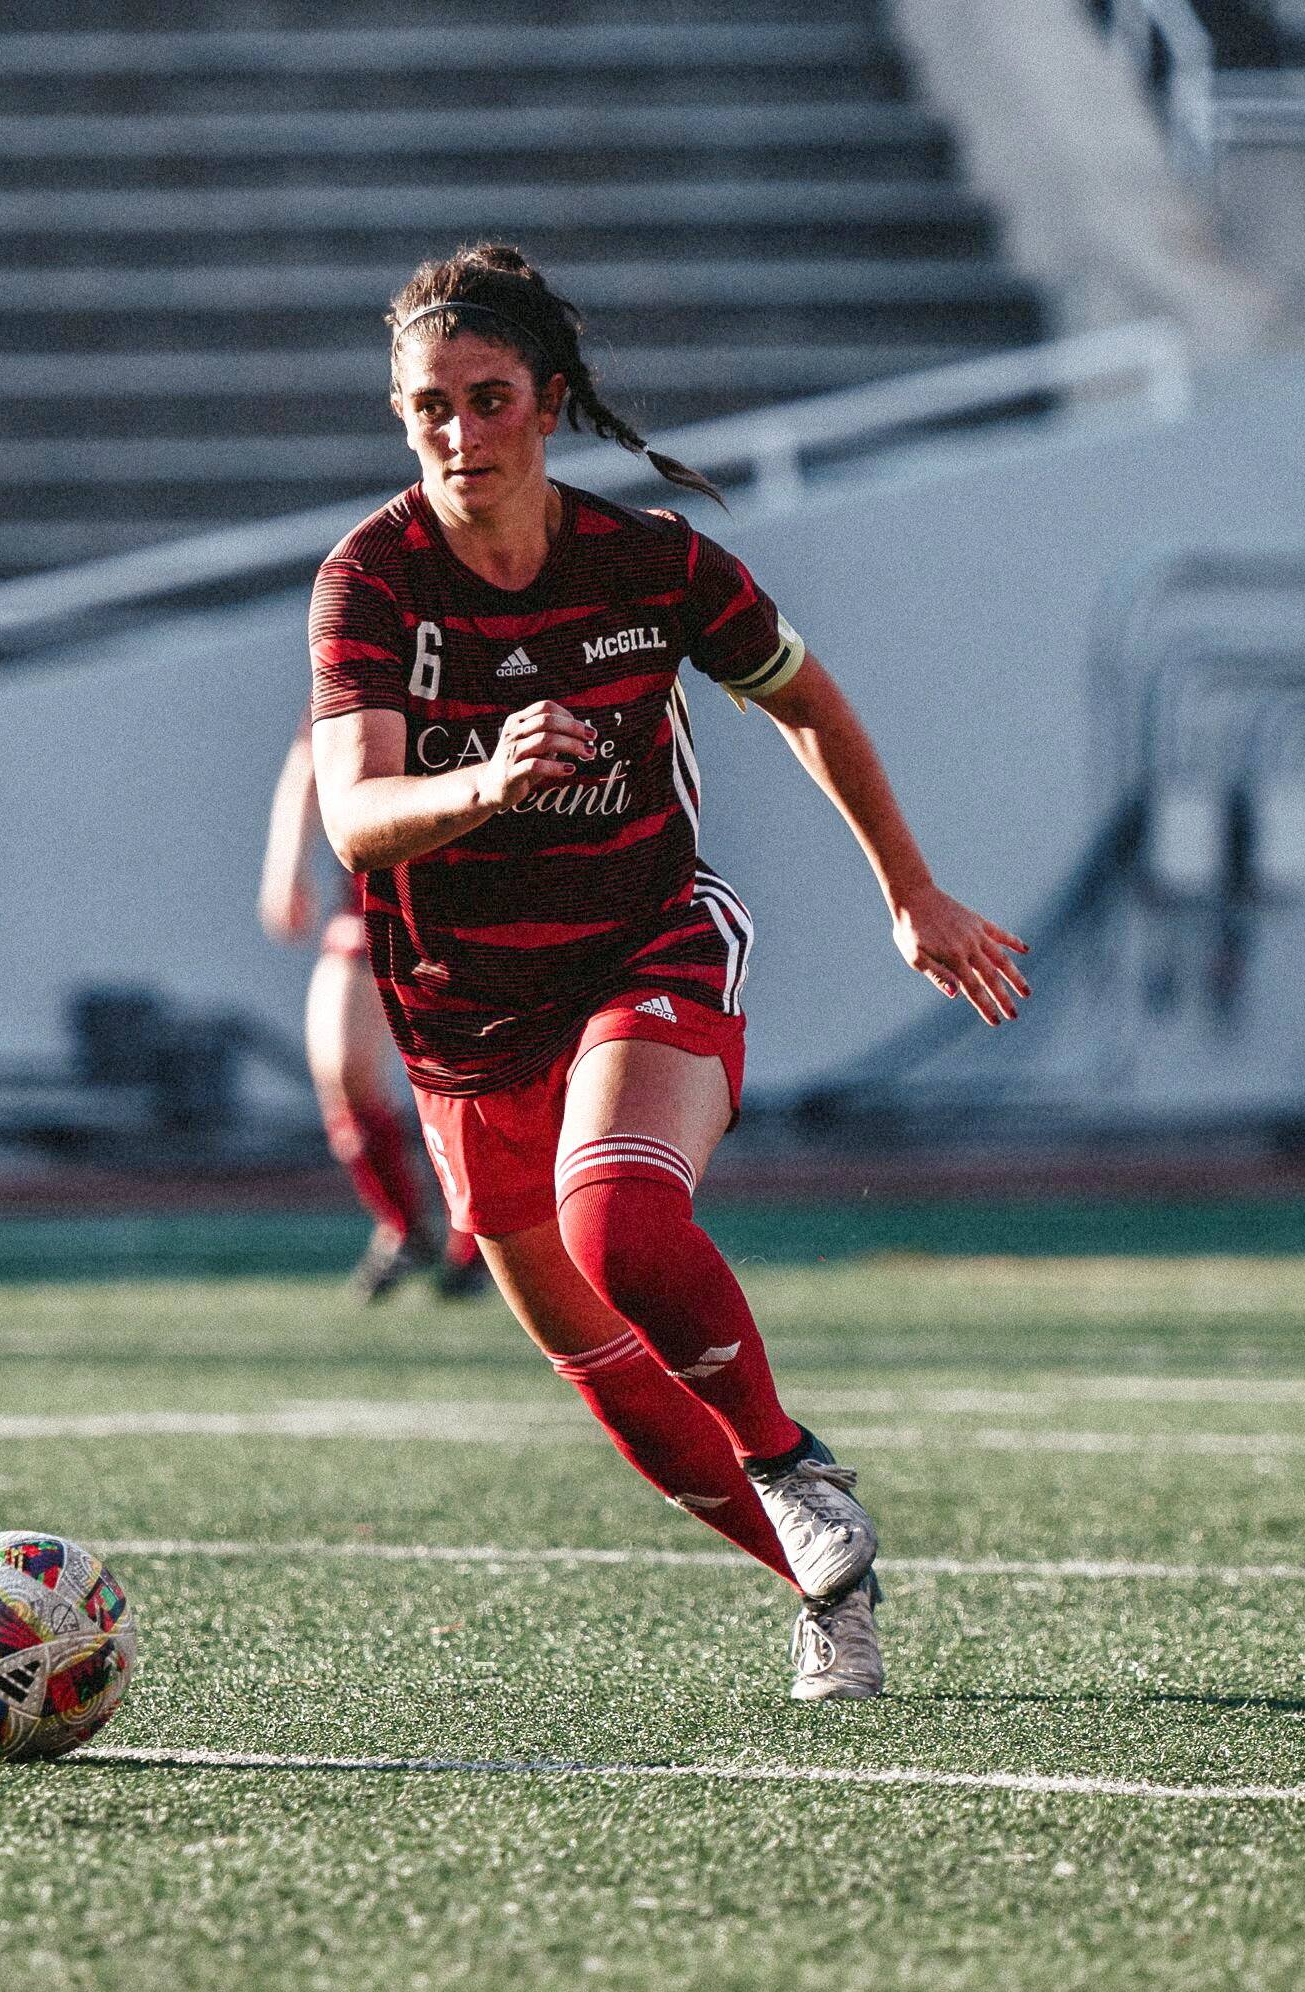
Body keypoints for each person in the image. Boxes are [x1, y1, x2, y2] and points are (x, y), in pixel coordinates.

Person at [306, 243, 1029, 1700]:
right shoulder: (370, 581)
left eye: (486, 398)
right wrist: (486, 786)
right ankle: (829, 1587)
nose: (457, 433)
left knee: (621, 1230)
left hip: (645, 943)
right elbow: (353, 815)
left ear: (549, 403)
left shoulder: (656, 566)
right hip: (461, 1023)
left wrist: (912, 890)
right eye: (426, 408)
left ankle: (786, 1455)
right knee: (609, 1371)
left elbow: (804, 699)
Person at [259, 728, 486, 1302]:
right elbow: (316, 747)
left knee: (477, 1075)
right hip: (378, 877)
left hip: (475, 878)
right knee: (341, 1065)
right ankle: (407, 1226)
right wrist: (286, 863)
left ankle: (480, 1238)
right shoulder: (372, 638)